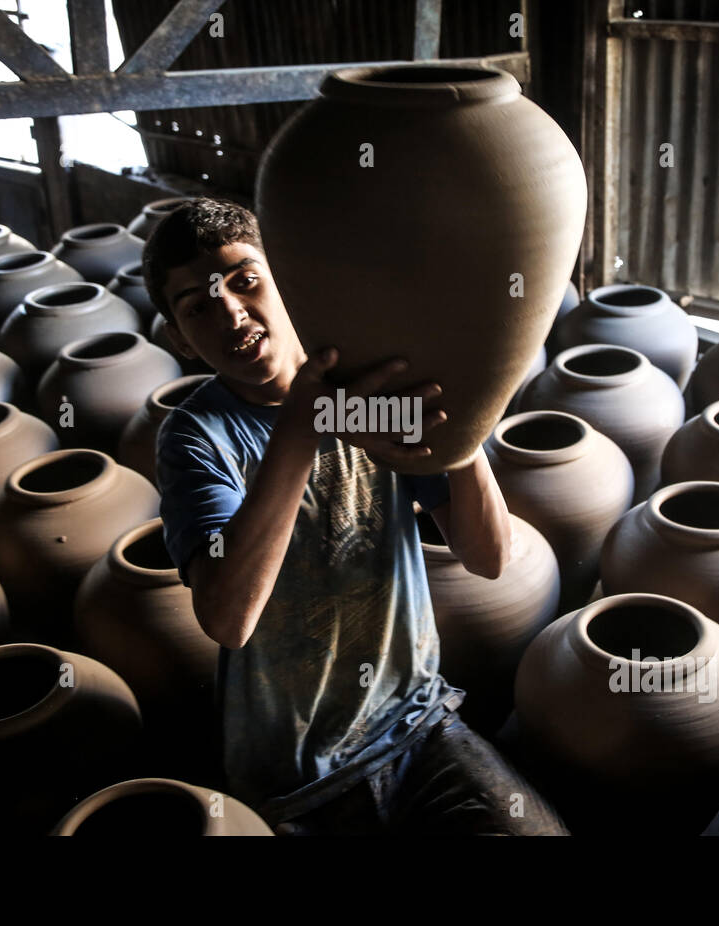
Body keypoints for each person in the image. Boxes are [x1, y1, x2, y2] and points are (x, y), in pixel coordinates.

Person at [144, 197, 566, 835]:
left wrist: (464, 423)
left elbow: (488, 557)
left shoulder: (367, 387)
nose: (230, 311)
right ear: (178, 337)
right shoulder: (195, 437)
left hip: (415, 721)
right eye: (198, 307)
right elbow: (228, 619)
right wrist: (301, 428)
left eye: (245, 281)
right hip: (295, 769)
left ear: (285, 278)